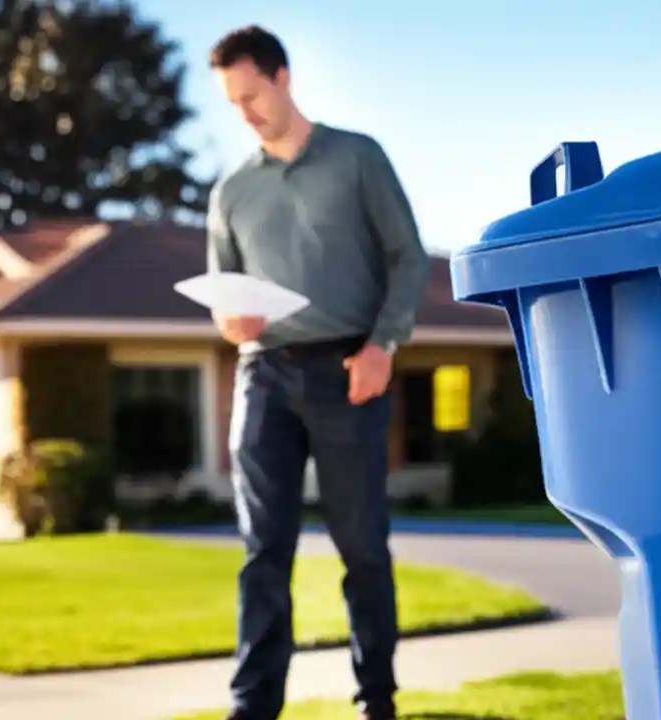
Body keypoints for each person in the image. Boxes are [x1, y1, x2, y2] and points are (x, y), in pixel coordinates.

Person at [205, 25, 430, 720]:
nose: (243, 111)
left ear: (283, 77)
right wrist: (230, 323)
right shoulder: (232, 191)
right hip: (262, 377)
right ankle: (253, 706)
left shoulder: (357, 158)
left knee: (362, 548)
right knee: (261, 551)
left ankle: (377, 701)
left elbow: (409, 258)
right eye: (231, 101)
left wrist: (382, 347)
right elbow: (224, 292)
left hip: (348, 369)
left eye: (250, 94)